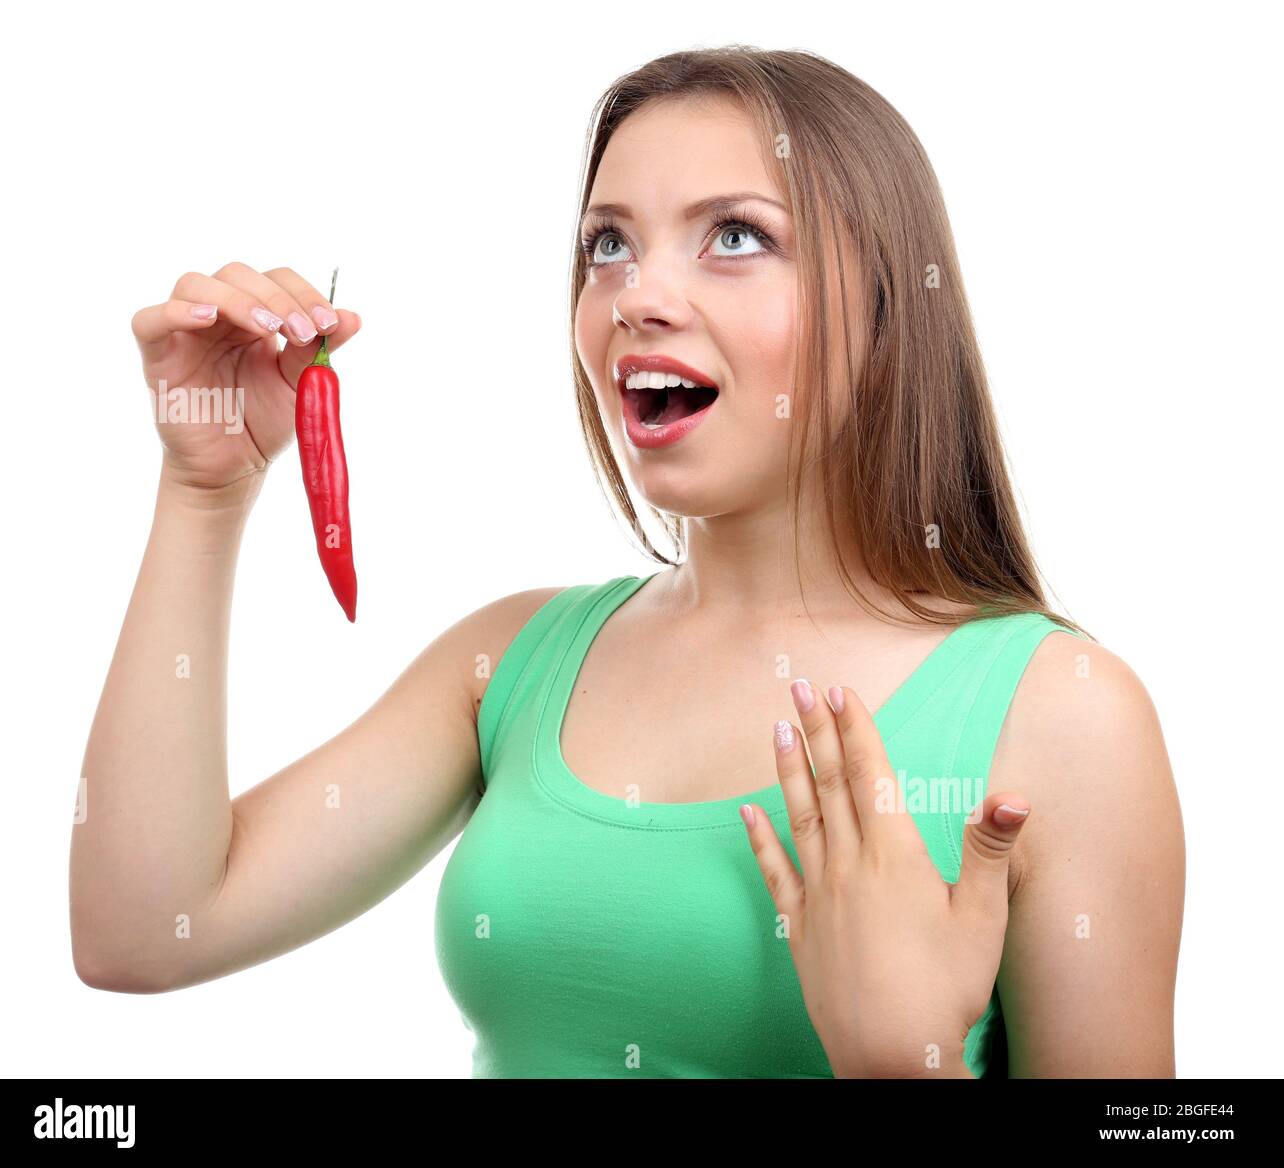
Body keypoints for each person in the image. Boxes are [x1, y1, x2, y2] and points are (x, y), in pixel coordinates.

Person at [71, 46, 1183, 1078]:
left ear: (888, 304)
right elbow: (143, 930)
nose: (637, 297)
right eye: (608, 242)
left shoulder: (1063, 714)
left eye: (735, 235)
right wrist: (203, 490)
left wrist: (901, 1067)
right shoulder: (510, 660)